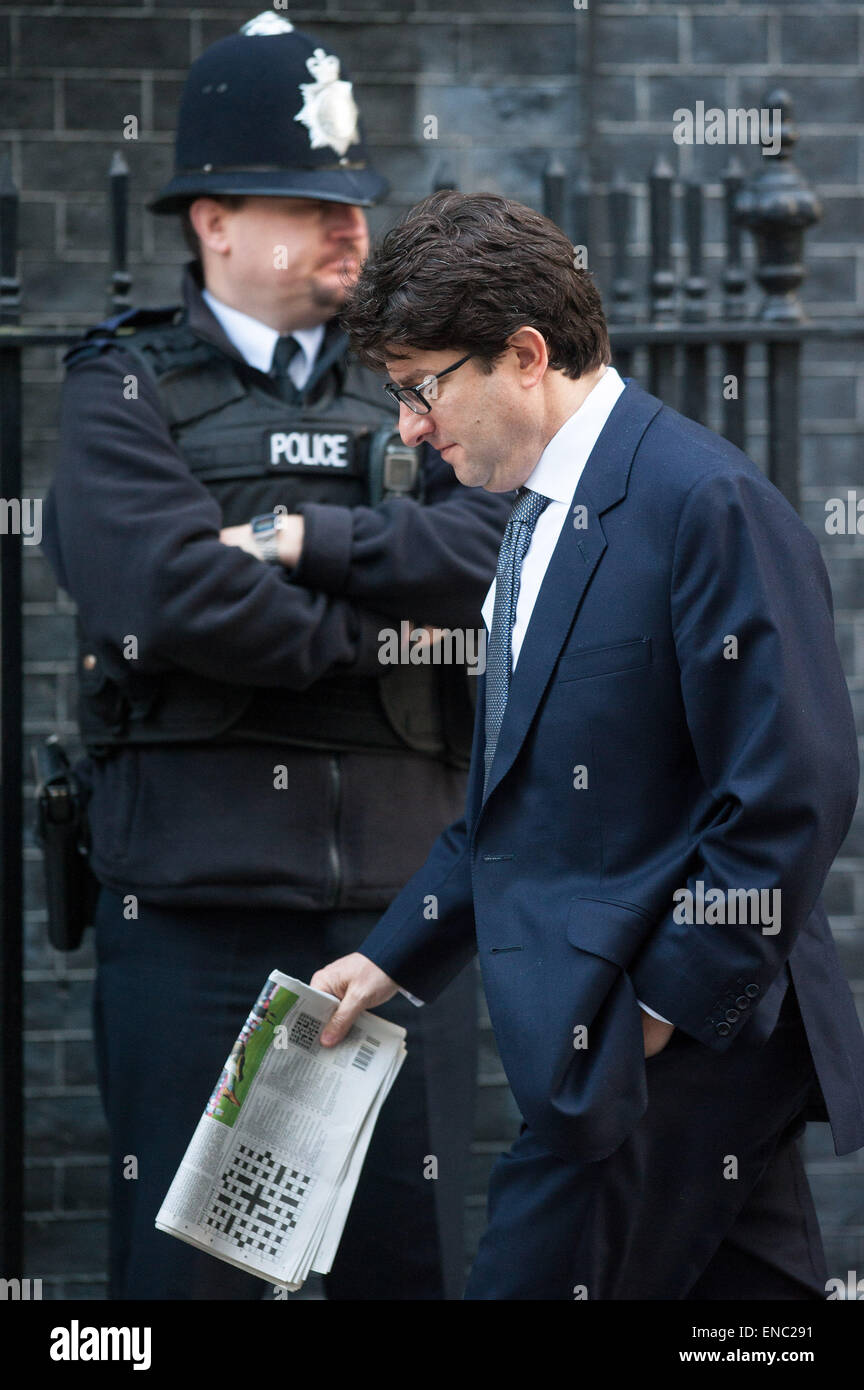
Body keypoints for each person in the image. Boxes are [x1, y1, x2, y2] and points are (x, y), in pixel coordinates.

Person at [311, 189, 864, 1300]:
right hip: (656, 1056)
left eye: (422, 388)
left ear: (525, 354)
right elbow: (514, 803)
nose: (410, 428)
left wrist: (652, 1016)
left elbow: (792, 789)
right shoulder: (536, 515)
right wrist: (391, 955)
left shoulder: (703, 500)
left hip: (659, 1051)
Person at [41, 18, 510, 1301]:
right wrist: (389, 623)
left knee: (401, 1273)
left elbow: (494, 550)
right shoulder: (124, 388)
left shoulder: (416, 386)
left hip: (406, 917)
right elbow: (166, 591)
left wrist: (299, 545)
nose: (351, 229)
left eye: (354, 199)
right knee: (188, 1281)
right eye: (310, 203)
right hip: (196, 917)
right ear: (216, 221)